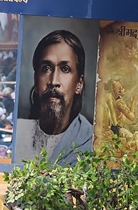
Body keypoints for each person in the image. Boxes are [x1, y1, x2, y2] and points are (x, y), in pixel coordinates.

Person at [26, 29, 94, 166]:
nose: (53, 81)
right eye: (46, 69)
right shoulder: (21, 135)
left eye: (65, 69)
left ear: (79, 84)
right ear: (35, 79)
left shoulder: (91, 143)